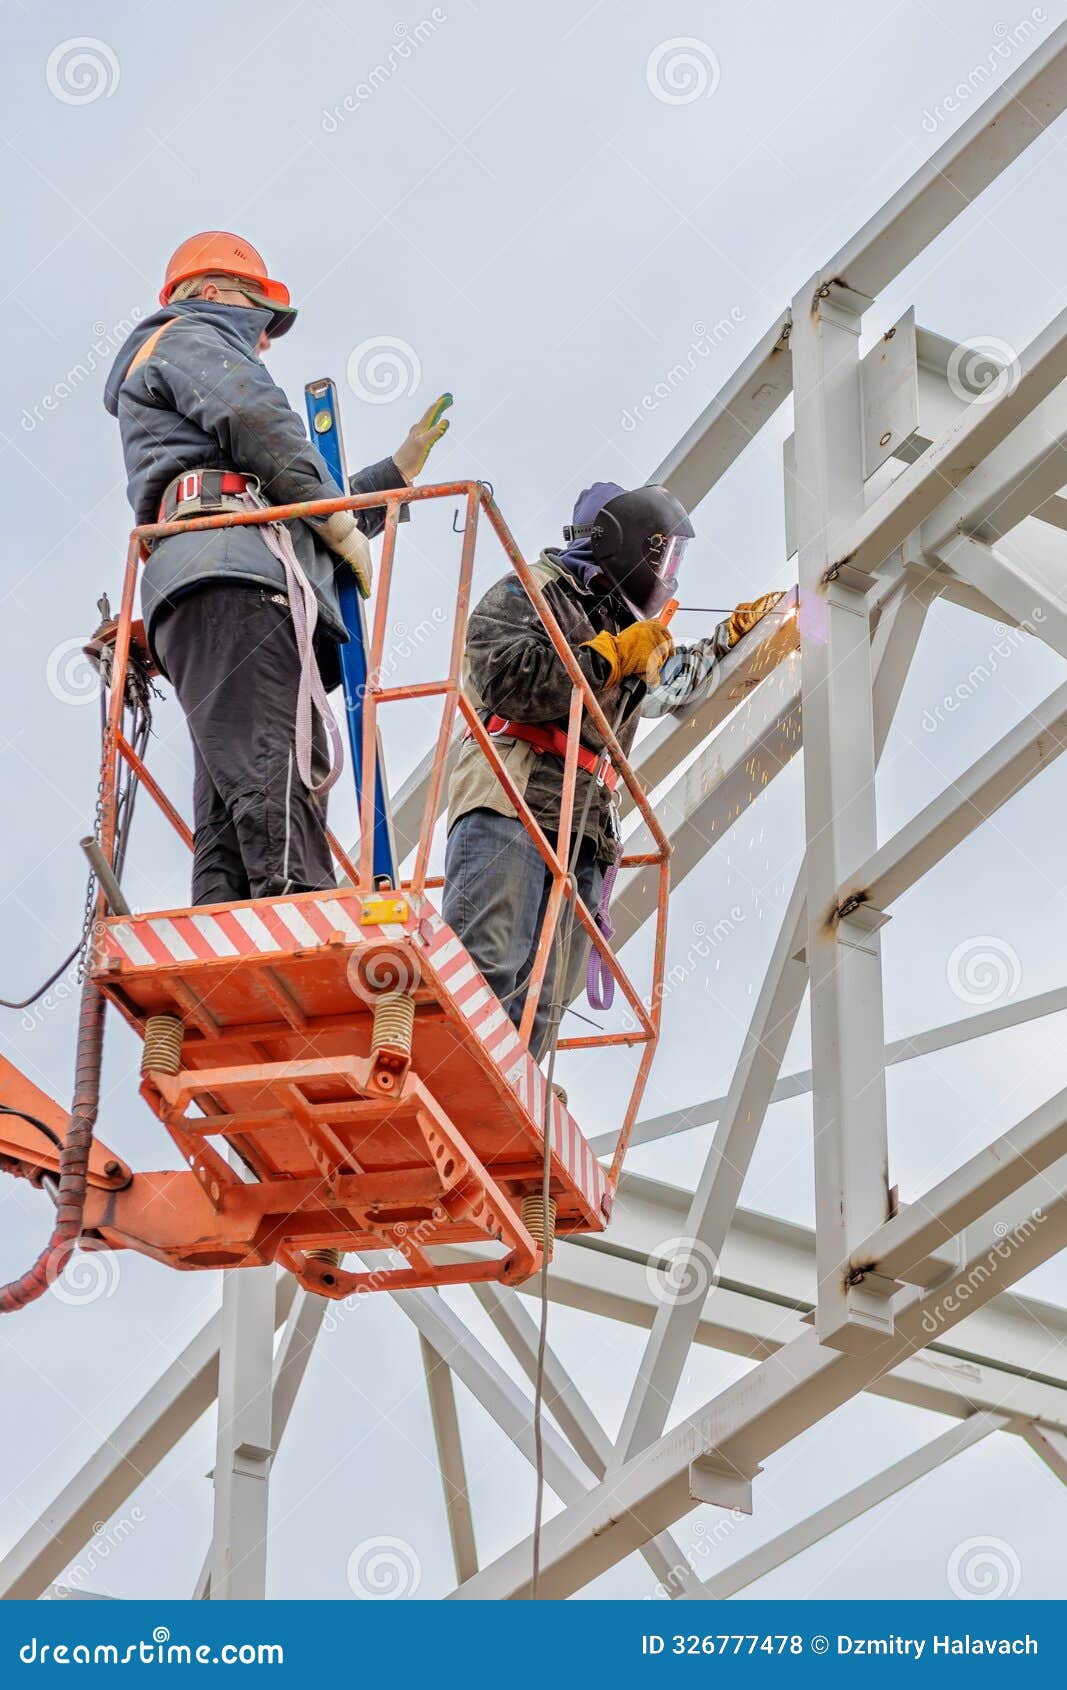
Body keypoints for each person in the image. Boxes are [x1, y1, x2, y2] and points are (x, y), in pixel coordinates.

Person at [104, 230, 451, 905]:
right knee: (274, 760)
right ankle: (301, 906)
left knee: (231, 797)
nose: (263, 342)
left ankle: (227, 928)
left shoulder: (185, 383)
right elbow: (261, 423)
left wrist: (389, 479)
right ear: (210, 293)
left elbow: (273, 501)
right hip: (233, 581)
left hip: (216, 580)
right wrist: (335, 517)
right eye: (258, 319)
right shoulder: (186, 333)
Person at [443, 480, 783, 1058]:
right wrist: (608, 657)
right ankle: (454, 1083)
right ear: (623, 543)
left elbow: (672, 680)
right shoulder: (535, 590)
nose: (670, 572)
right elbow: (507, 676)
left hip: (582, 831)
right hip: (511, 800)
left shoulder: (620, 625)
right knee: (486, 972)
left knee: (541, 1007)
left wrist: (730, 640)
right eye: (664, 555)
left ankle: (501, 1121)